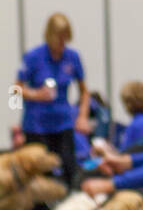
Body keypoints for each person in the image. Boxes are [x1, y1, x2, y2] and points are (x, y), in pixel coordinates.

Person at [16, 13, 91, 189]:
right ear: (50, 36)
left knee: (69, 169)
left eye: (66, 39)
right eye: (60, 38)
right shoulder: (33, 57)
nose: (63, 44)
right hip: (37, 126)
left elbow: (84, 92)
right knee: (41, 175)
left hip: (62, 124)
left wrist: (82, 116)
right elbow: (15, 91)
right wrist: (36, 94)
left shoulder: (72, 57)